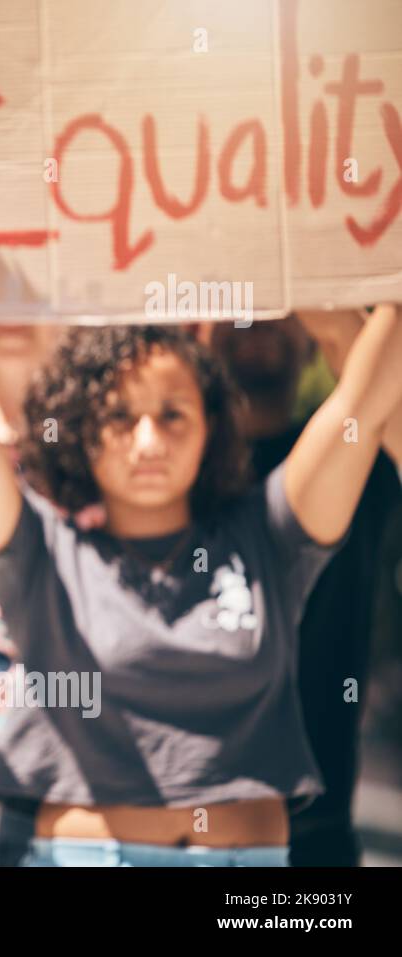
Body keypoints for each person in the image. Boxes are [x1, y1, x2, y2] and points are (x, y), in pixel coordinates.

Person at [0, 309, 402, 866]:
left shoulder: (274, 532)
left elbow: (368, 394)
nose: (149, 440)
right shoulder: (35, 545)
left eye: (172, 414)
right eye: (120, 416)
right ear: (82, 430)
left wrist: (325, 248)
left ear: (212, 423)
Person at [208, 312, 402, 866]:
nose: (254, 316)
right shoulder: (156, 468)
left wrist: (321, 286)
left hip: (317, 839)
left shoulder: (361, 453)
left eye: (277, 308)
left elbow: (381, 372)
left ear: (314, 341)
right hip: (171, 842)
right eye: (235, 302)